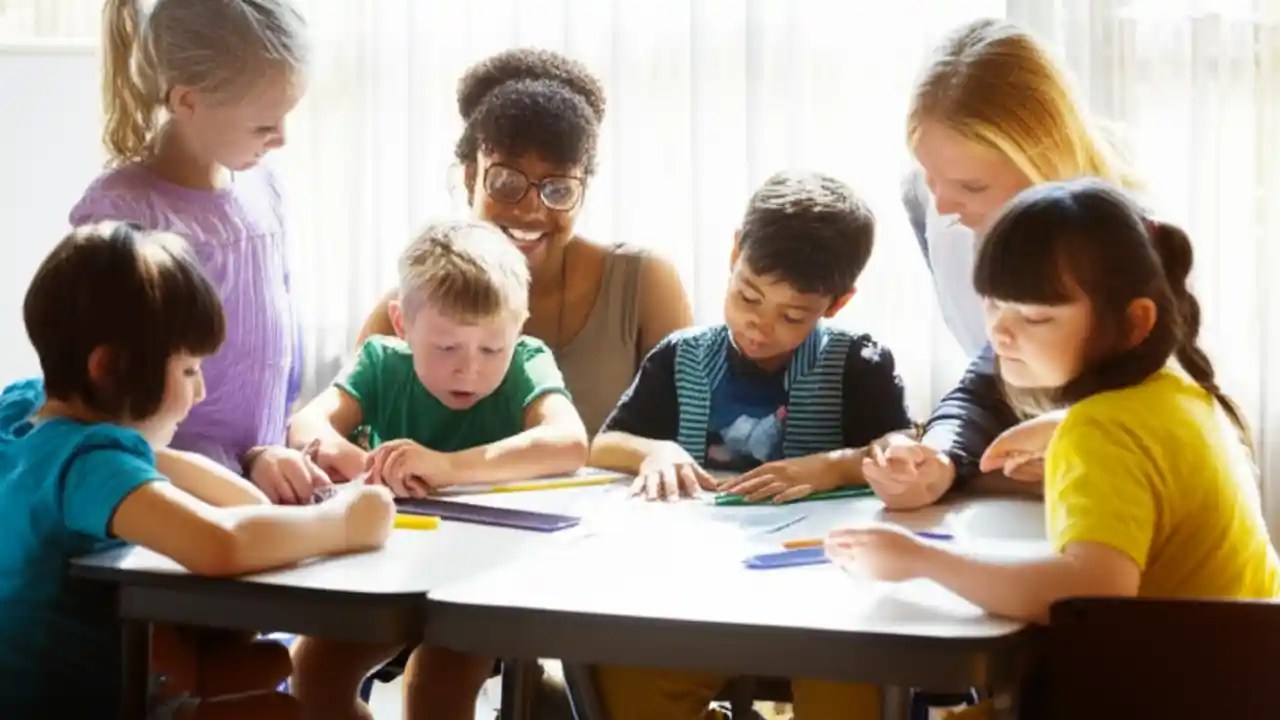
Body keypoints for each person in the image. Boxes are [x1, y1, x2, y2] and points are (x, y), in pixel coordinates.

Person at [826, 178, 1280, 717]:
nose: (1001, 334)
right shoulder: (1180, 388)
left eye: (1036, 317)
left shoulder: (1103, 431)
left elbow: (1088, 594)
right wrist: (1061, 425)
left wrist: (922, 561)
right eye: (994, 306)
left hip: (1169, 695)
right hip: (1243, 687)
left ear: (1134, 322)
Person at [0, 222, 394, 718]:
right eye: (189, 370)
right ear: (111, 367)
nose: (201, 391)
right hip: (61, 705)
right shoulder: (87, 465)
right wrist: (343, 524)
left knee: (261, 662)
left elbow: (242, 504)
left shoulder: (24, 411)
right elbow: (218, 543)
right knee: (281, 710)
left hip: (82, 683)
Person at [590, 170, 913, 719]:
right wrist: (655, 451)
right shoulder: (682, 356)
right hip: (697, 585)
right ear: (735, 250)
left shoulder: (857, 363)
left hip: (823, 596)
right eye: (747, 296)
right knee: (625, 677)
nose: (759, 326)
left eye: (792, 315)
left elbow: (903, 450)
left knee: (851, 689)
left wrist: (835, 466)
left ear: (836, 304)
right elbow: (603, 445)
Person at [288, 219, 588, 720]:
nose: (468, 369)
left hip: (483, 583)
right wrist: (360, 461)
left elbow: (569, 443)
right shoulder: (382, 361)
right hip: (388, 574)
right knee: (311, 675)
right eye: (446, 348)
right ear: (402, 324)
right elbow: (306, 424)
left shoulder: (528, 361)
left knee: (433, 683)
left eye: (491, 348)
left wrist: (448, 467)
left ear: (519, 327)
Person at [863, 18, 1142, 509]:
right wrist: (940, 455)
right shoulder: (928, 205)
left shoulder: (1128, 241)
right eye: (930, 177)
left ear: (1045, 164)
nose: (944, 207)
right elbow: (992, 370)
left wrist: (1077, 439)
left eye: (972, 187)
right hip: (1027, 490)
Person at [353, 48, 691, 444]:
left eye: (559, 188)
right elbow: (344, 441)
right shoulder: (411, 305)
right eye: (506, 182)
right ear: (469, 179)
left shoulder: (645, 284)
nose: (531, 210)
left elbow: (692, 433)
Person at [70, 0, 324, 504]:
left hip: (260, 468)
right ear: (187, 101)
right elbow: (107, 391)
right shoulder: (125, 212)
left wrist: (272, 446)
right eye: (263, 127)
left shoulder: (264, 189)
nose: (282, 140)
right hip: (166, 484)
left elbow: (276, 334)